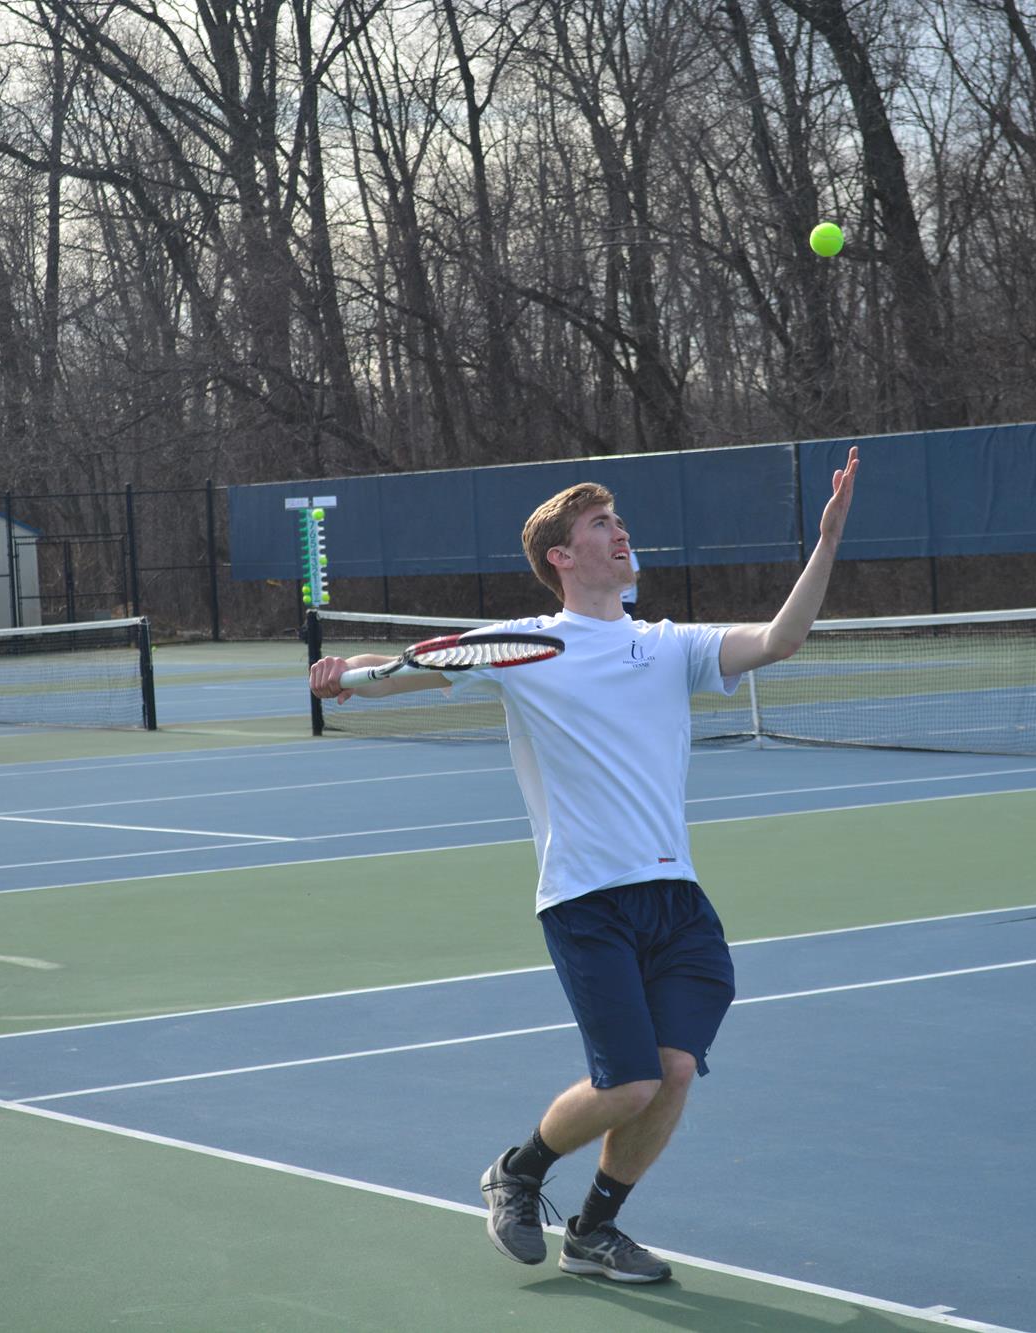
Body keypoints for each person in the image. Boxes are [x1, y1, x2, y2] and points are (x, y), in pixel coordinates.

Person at [309, 447, 860, 1283]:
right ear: (561, 558)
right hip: (586, 900)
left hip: (677, 900)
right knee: (629, 1082)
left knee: (673, 1072)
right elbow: (409, 672)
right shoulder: (527, 646)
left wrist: (825, 542)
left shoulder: (671, 645)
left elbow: (782, 639)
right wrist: (340, 679)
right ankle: (519, 1172)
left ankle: (596, 1229)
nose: (620, 532)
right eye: (601, 523)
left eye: (619, 521)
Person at [620, 546, 639, 620]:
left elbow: (637, 575)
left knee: (624, 622)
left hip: (627, 598)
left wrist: (625, 587)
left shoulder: (631, 555)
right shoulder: (610, 555)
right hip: (615, 598)